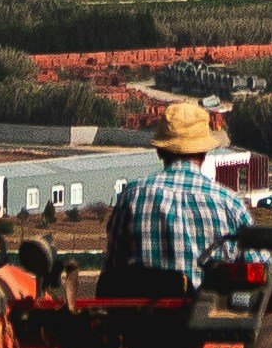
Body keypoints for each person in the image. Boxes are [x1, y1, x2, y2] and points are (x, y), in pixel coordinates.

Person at [97, 97, 258, 290]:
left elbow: (112, 273)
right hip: (204, 317)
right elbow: (258, 266)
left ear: (160, 151)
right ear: (204, 153)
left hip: (137, 318)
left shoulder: (131, 196)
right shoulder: (229, 203)